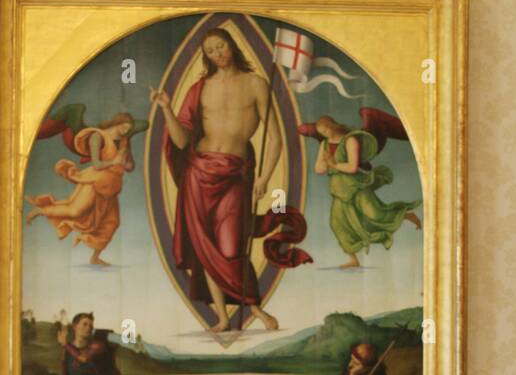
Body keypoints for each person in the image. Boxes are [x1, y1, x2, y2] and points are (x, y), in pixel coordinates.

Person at [152, 27, 309, 333]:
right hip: (199, 174)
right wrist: (167, 109)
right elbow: (182, 141)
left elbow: (275, 137)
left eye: (220, 47)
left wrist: (264, 177)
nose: (217, 54)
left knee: (230, 247)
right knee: (206, 250)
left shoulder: (256, 84)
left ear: (232, 46)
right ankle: (224, 317)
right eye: (210, 51)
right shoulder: (199, 88)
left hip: (235, 175)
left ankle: (254, 309)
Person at [26, 112, 139, 266]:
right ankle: (41, 210)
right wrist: (114, 161)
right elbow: (97, 164)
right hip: (96, 181)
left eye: (129, 128)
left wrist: (127, 164)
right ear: (117, 123)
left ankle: (95, 257)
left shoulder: (125, 141)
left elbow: (130, 165)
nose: (126, 131)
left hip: (112, 186)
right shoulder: (98, 137)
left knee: (112, 223)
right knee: (75, 211)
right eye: (124, 127)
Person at [313, 115, 422, 268]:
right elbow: (318, 169)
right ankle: (353, 259)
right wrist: (324, 164)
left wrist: (334, 164)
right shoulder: (324, 145)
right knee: (337, 224)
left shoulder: (350, 141)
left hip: (356, 186)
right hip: (338, 189)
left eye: (326, 130)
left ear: (332, 125)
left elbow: (352, 167)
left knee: (375, 214)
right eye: (322, 132)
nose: (325, 134)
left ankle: (406, 214)